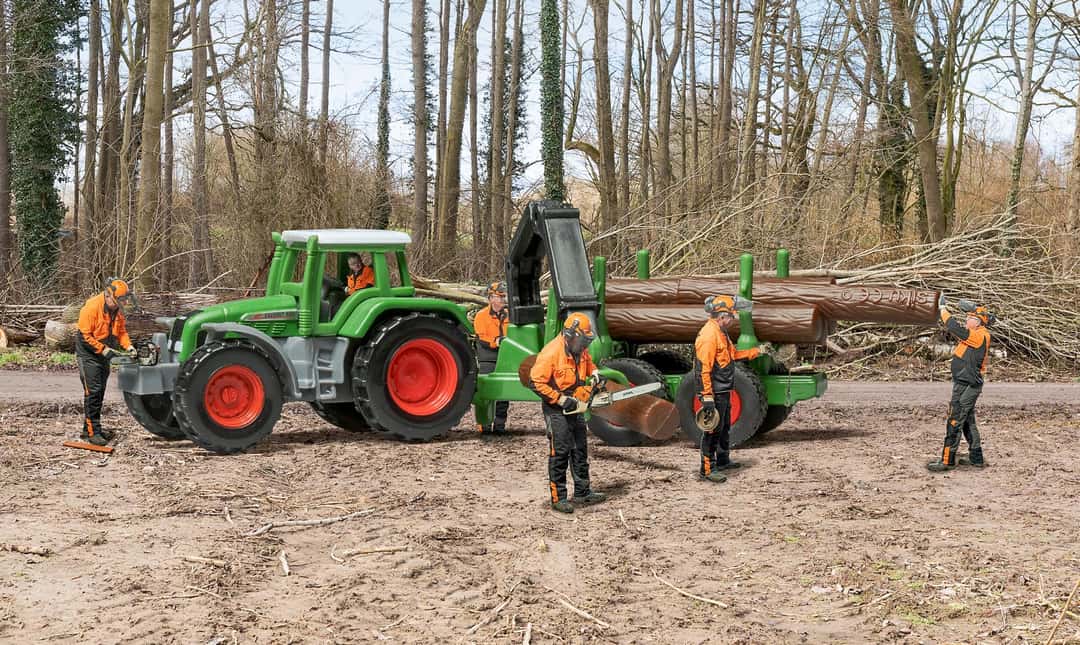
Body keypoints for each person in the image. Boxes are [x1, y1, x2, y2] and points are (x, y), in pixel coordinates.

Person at [529, 312, 608, 513]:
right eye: (582, 339)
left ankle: (583, 492)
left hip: (576, 402)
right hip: (556, 407)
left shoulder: (579, 350)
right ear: (570, 334)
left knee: (580, 449)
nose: (584, 345)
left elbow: (589, 364)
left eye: (586, 340)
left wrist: (596, 374)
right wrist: (561, 399)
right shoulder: (551, 353)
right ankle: (559, 497)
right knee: (561, 450)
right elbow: (536, 383)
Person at [694, 295, 761, 482]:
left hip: (723, 390)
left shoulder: (721, 333)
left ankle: (723, 460)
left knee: (724, 428)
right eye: (731, 316)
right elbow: (703, 370)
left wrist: (756, 352)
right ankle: (707, 469)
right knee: (712, 430)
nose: (733, 320)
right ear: (722, 316)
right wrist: (707, 396)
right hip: (714, 391)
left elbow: (732, 355)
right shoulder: (709, 336)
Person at [927, 296, 993, 471]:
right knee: (967, 421)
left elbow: (953, 327)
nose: (966, 319)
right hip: (962, 383)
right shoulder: (975, 334)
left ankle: (947, 460)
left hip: (970, 385)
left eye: (970, 317)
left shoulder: (980, 335)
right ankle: (976, 458)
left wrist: (943, 309)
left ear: (978, 322)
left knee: (955, 419)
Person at [76, 278, 137, 446]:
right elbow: (84, 336)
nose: (119, 305)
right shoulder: (92, 307)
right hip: (88, 352)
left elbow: (122, 332)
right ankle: (92, 432)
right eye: (118, 301)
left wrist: (129, 346)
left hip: (104, 353)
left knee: (99, 391)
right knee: (93, 391)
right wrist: (103, 349)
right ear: (108, 295)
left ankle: (88, 429)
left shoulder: (116, 310)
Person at [473, 281, 510, 434]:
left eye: (503, 297)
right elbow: (482, 338)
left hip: (505, 358)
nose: (501, 300)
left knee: (503, 394)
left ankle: (500, 425)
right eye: (498, 297)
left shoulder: (510, 316)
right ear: (490, 298)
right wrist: (496, 342)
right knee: (485, 393)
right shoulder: (481, 316)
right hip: (487, 358)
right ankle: (484, 424)